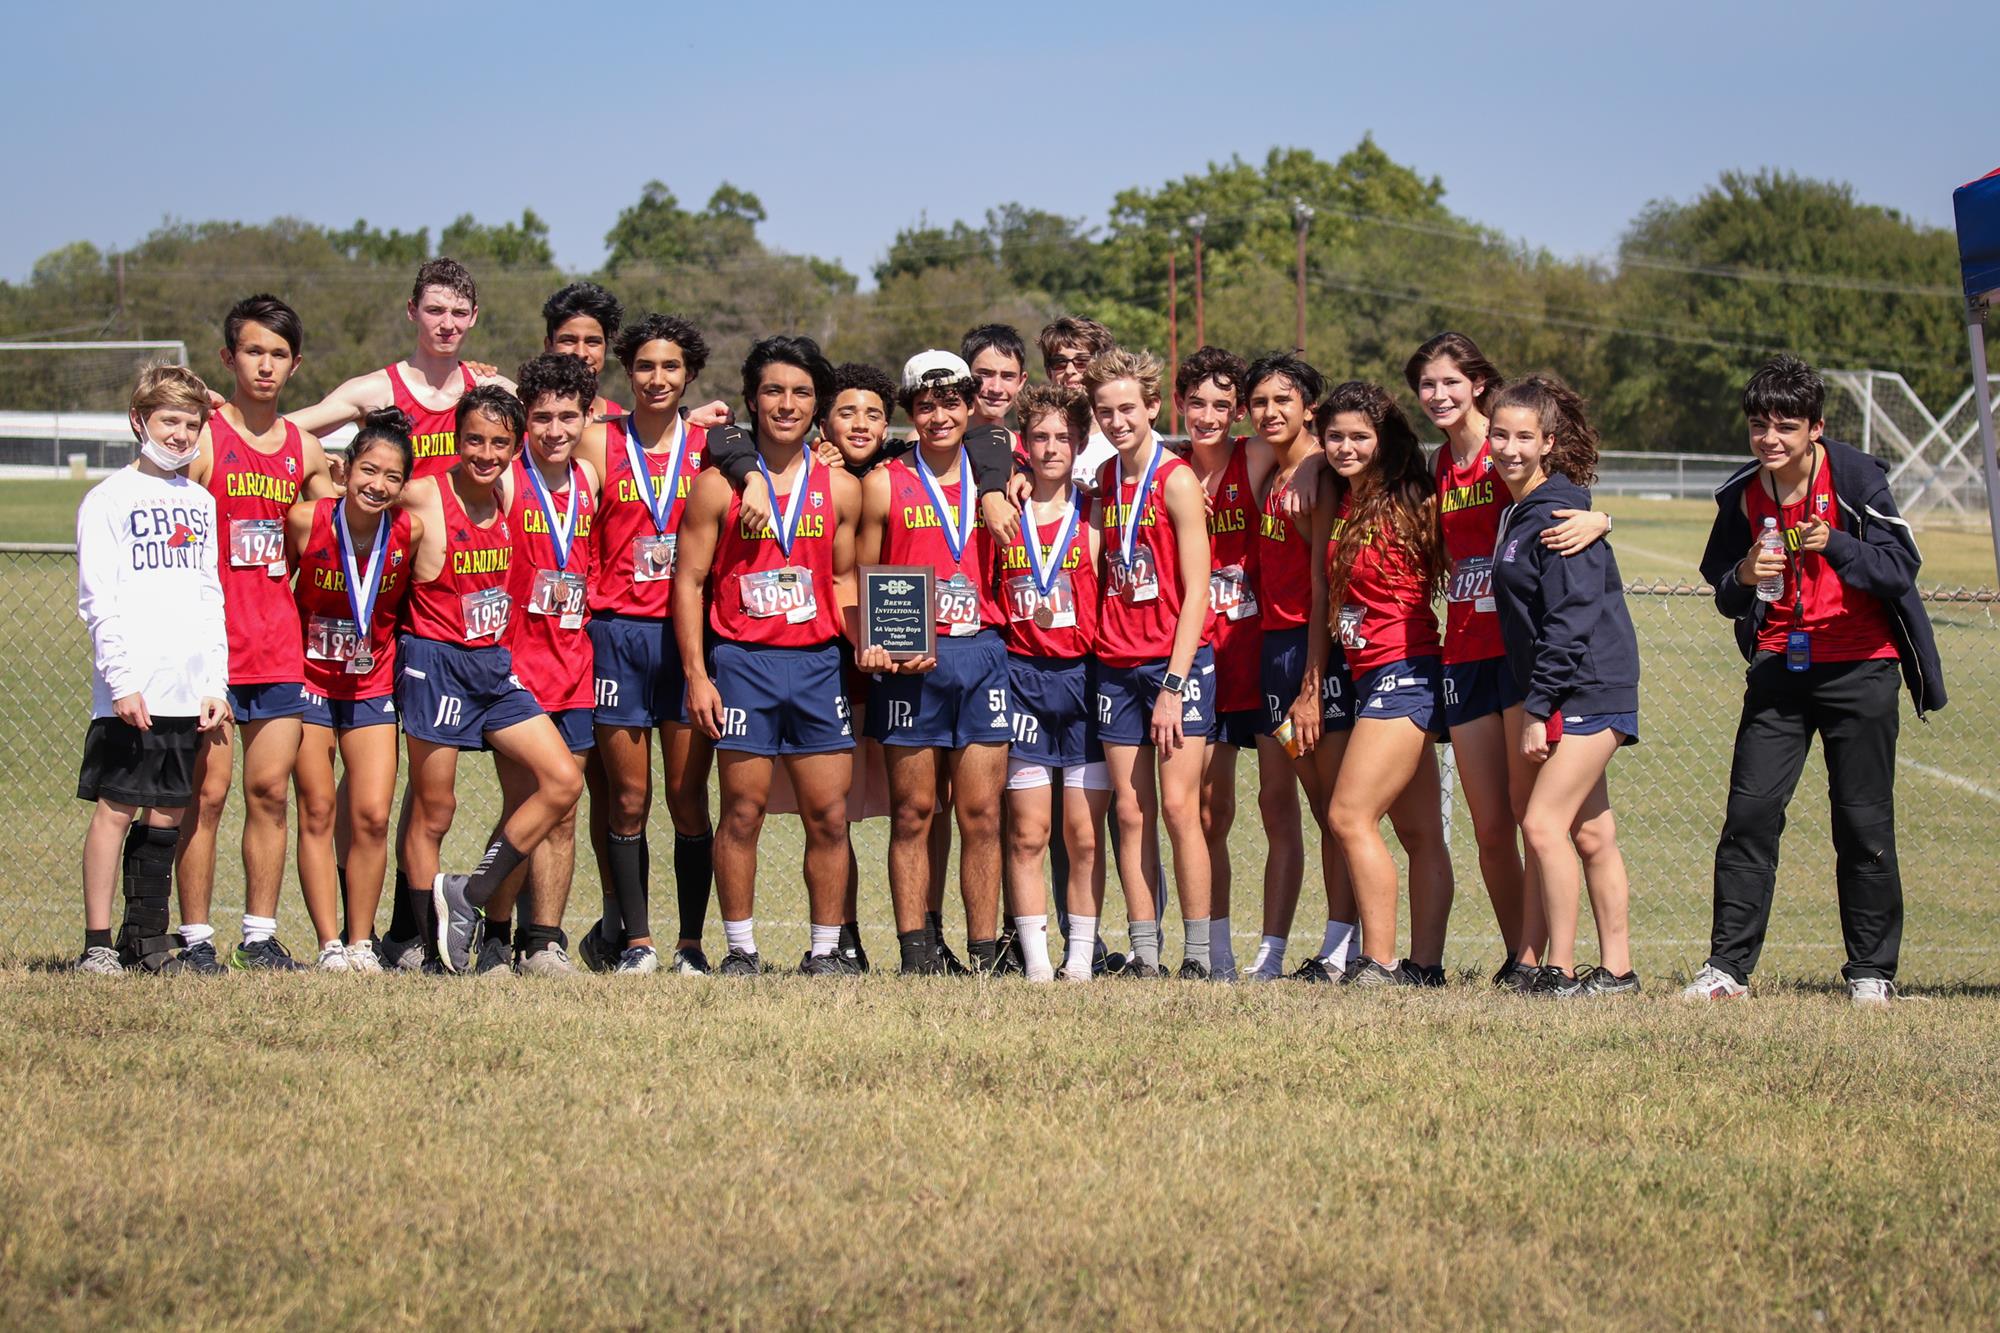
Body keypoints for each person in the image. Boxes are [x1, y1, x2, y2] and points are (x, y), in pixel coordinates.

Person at [1687, 354, 1943, 1007]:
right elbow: (1724, 589)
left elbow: (1899, 568)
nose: (1770, 439)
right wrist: (1745, 574)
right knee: (1750, 815)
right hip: (1780, 667)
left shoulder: (1854, 478)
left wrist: (1836, 543)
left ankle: (1871, 973)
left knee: (1861, 824)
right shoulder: (1745, 492)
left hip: (1862, 668)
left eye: (1786, 426)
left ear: (1816, 428)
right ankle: (1726, 970)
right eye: (1759, 426)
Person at [1406, 331, 1609, 989]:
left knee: (1531, 818)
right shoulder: (1439, 464)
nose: (1438, 394)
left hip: (1517, 657)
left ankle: (1536, 959)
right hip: (1463, 653)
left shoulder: (1506, 452)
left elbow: (1562, 501)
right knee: (1491, 828)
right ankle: (1517, 952)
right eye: (1427, 384)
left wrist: (1600, 517)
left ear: (1478, 385)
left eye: (1450, 382)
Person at [671, 335, 862, 976]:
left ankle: (826, 952)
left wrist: (870, 638)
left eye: (801, 393)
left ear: (817, 404)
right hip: (744, 664)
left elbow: (843, 579)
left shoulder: (840, 488)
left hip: (816, 664)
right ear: (752, 399)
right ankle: (741, 950)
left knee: (829, 815)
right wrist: (698, 675)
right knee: (743, 812)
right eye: (773, 391)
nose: (786, 404)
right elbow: (689, 583)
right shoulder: (714, 487)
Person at [177, 295, 337, 971]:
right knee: (207, 794)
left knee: (270, 793)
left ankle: (259, 936)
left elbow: (348, 515)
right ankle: (193, 939)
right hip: (209, 652)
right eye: (252, 352)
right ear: (228, 358)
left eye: (277, 354)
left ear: (295, 364)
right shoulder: (207, 438)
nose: (265, 366)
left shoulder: (305, 449)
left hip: (278, 648)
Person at [411, 388, 587, 972]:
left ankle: (469, 893)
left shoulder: (509, 492)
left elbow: (588, 422)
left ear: (516, 448)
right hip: (438, 663)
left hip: (494, 666)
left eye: (498, 443)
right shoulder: (426, 493)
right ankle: (427, 946)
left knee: (562, 781)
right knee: (434, 810)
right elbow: (363, 500)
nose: (485, 454)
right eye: (474, 441)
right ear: (455, 440)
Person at [73, 364, 230, 974]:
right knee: (116, 808)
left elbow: (209, 595)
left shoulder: (200, 501)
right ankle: (97, 944)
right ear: (139, 420)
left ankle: (145, 940)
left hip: (187, 689)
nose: (180, 434)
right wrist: (122, 682)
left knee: (166, 813)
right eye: (169, 420)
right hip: (132, 689)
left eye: (191, 424)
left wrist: (214, 681)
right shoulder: (109, 499)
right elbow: (98, 601)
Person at [572, 314, 716, 975]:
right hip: (617, 635)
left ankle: (691, 944)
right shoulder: (597, 441)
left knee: (687, 797)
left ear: (690, 374)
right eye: (645, 366)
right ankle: (636, 941)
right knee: (627, 799)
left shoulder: (714, 446)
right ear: (627, 372)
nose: (657, 378)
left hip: (687, 637)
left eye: (671, 367)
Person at [1488, 376, 1641, 997]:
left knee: (1542, 824)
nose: (1510, 448)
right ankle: (1619, 972)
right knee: (1591, 833)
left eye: (1525, 437)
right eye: (1500, 435)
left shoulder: (1559, 512)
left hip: (1588, 687)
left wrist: (1538, 706)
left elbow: (1571, 618)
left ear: (1548, 442)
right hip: (1567, 686)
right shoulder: (1520, 510)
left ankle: (1562, 970)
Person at [860, 350, 1012, 974]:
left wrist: (999, 487)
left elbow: (1008, 444)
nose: (940, 415)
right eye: (925, 405)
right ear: (910, 412)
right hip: (911, 660)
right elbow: (863, 574)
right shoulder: (884, 481)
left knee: (981, 814)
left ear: (970, 405)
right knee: (913, 812)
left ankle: (985, 952)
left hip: (981, 651)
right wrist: (872, 641)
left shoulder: (999, 474)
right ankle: (916, 952)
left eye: (952, 402)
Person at [1318, 381, 1456, 986]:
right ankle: (1425, 969)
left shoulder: (1411, 497)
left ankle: (1378, 961)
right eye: (1335, 437)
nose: (1345, 448)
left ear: (1383, 439)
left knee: (1349, 815)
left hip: (1406, 670)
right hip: (1366, 673)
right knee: (1420, 832)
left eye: (1359, 436)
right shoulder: (1343, 498)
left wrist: (1594, 515)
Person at [1087, 347, 1216, 978]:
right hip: (1116, 664)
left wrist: (1173, 684)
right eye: (1104, 411)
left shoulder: (1178, 480)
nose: (1117, 421)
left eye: (1127, 409)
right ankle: (1145, 953)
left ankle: (1199, 957)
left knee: (1178, 809)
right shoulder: (1104, 479)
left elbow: (1198, 590)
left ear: (1153, 407)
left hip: (1173, 666)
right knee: (1130, 812)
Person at [287, 410, 421, 974]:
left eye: (392, 476)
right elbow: (272, 591)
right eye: (368, 470)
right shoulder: (304, 521)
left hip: (371, 684)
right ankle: (329, 945)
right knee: (318, 810)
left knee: (370, 816)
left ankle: (361, 942)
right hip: (310, 682)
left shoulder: (409, 532)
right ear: (344, 471)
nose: (378, 485)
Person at [483, 353, 603, 976]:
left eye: (567, 416)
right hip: (517, 668)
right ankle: (492, 933)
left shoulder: (590, 477)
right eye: (542, 417)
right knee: (523, 804)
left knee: (563, 810)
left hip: (574, 664)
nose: (555, 430)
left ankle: (543, 940)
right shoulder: (506, 478)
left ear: (586, 417)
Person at [999, 384, 1108, 981]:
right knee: (1028, 833)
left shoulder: (1096, 515)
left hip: (1086, 683)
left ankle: (1082, 960)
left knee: (1084, 836)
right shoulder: (1003, 514)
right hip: (1022, 682)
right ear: (1024, 442)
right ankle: (1038, 964)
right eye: (1039, 436)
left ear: (1081, 442)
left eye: (1062, 437)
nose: (1050, 448)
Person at [288, 258, 511, 479]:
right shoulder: (377, 390)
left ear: (473, 316)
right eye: (435, 310)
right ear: (412, 310)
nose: (447, 324)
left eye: (459, 313)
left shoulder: (491, 390)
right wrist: (318, 463)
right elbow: (276, 434)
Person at [1039, 316, 1118, 488]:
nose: (1070, 370)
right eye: (1060, 362)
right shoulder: (1036, 442)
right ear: (1049, 371)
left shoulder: (1127, 438)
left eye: (1082, 362)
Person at [542, 281, 627, 419]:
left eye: (592, 342)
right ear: (548, 346)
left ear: (605, 347)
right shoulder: (520, 422)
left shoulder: (625, 425)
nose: (580, 353)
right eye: (568, 340)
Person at [963, 323, 1030, 439]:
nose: (996, 389)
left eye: (1007, 376)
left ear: (1021, 382)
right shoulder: (941, 448)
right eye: (985, 374)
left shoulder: (1030, 449)